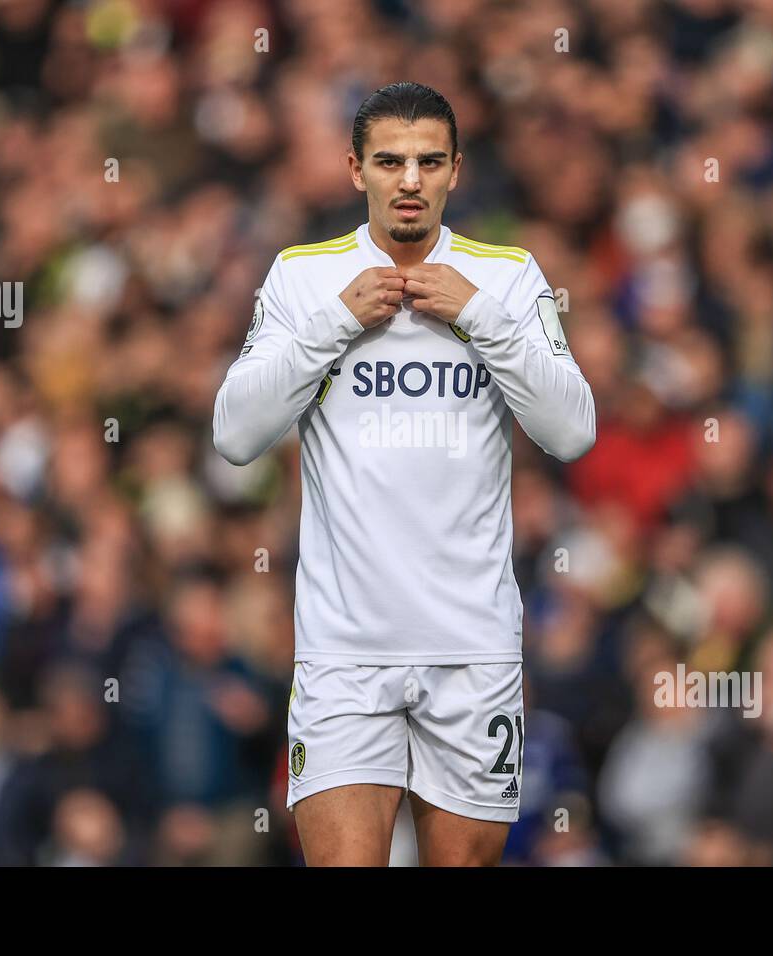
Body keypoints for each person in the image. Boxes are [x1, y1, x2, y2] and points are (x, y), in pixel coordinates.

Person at [212, 81, 596, 865]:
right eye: (390, 161)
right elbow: (235, 436)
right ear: (356, 170)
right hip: (344, 650)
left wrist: (479, 315)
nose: (410, 180)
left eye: (428, 161)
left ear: (458, 169)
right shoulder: (303, 278)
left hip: (473, 645)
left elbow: (572, 432)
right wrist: (335, 322)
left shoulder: (510, 277)